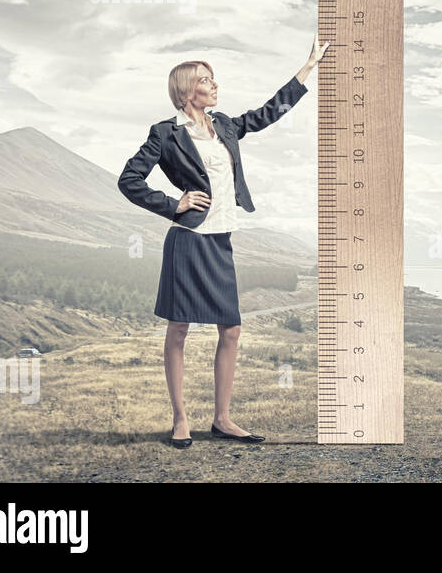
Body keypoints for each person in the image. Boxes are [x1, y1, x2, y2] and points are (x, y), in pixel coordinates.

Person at [118, 34, 328, 448]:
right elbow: (128, 179)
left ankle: (223, 419)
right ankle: (180, 420)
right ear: (186, 91)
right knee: (179, 328)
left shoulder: (226, 125)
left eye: (213, 79)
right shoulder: (165, 134)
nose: (214, 85)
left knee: (230, 330)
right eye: (205, 81)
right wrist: (172, 203)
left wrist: (307, 68)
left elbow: (268, 114)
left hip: (220, 242)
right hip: (188, 240)